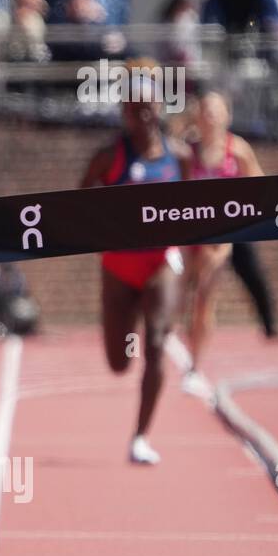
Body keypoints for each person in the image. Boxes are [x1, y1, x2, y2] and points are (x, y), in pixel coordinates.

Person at [79, 73, 192, 466]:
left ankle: (141, 436)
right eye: (133, 109)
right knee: (118, 362)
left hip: (162, 261)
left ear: (159, 109)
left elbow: (197, 206)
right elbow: (78, 205)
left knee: (158, 341)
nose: (141, 115)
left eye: (147, 108)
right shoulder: (109, 157)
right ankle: (128, 327)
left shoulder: (178, 156)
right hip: (118, 267)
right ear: (123, 114)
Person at [181, 91, 265, 391]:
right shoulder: (186, 152)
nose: (211, 117)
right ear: (198, 116)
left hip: (222, 238)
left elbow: (260, 188)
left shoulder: (237, 150)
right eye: (206, 111)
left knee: (205, 299)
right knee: (179, 299)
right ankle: (168, 345)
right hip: (189, 235)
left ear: (227, 116)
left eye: (216, 111)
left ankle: (194, 365)